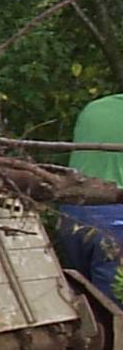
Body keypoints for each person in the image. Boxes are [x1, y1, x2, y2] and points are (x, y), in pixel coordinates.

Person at [58, 95, 123, 297]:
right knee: (115, 310)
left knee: (87, 303)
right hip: (116, 220)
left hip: (72, 215)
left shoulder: (94, 107)